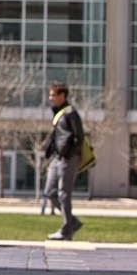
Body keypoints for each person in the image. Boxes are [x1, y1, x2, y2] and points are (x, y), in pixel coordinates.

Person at [43, 82, 85, 240]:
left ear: (62, 96)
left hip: (68, 158)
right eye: (50, 94)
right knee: (49, 192)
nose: (50, 98)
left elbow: (79, 137)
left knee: (63, 194)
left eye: (53, 95)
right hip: (57, 157)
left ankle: (66, 230)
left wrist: (69, 153)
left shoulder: (70, 113)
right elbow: (57, 136)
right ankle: (72, 222)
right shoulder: (58, 113)